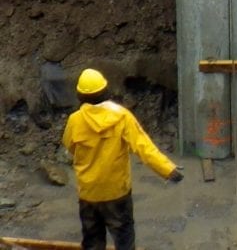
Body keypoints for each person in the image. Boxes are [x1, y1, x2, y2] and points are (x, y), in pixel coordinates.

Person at [62, 67, 183, 250]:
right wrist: (168, 169)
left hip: (89, 193)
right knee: (124, 239)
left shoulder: (75, 120)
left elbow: (70, 146)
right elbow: (143, 147)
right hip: (116, 192)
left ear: (80, 96)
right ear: (105, 91)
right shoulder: (121, 117)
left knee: (92, 240)